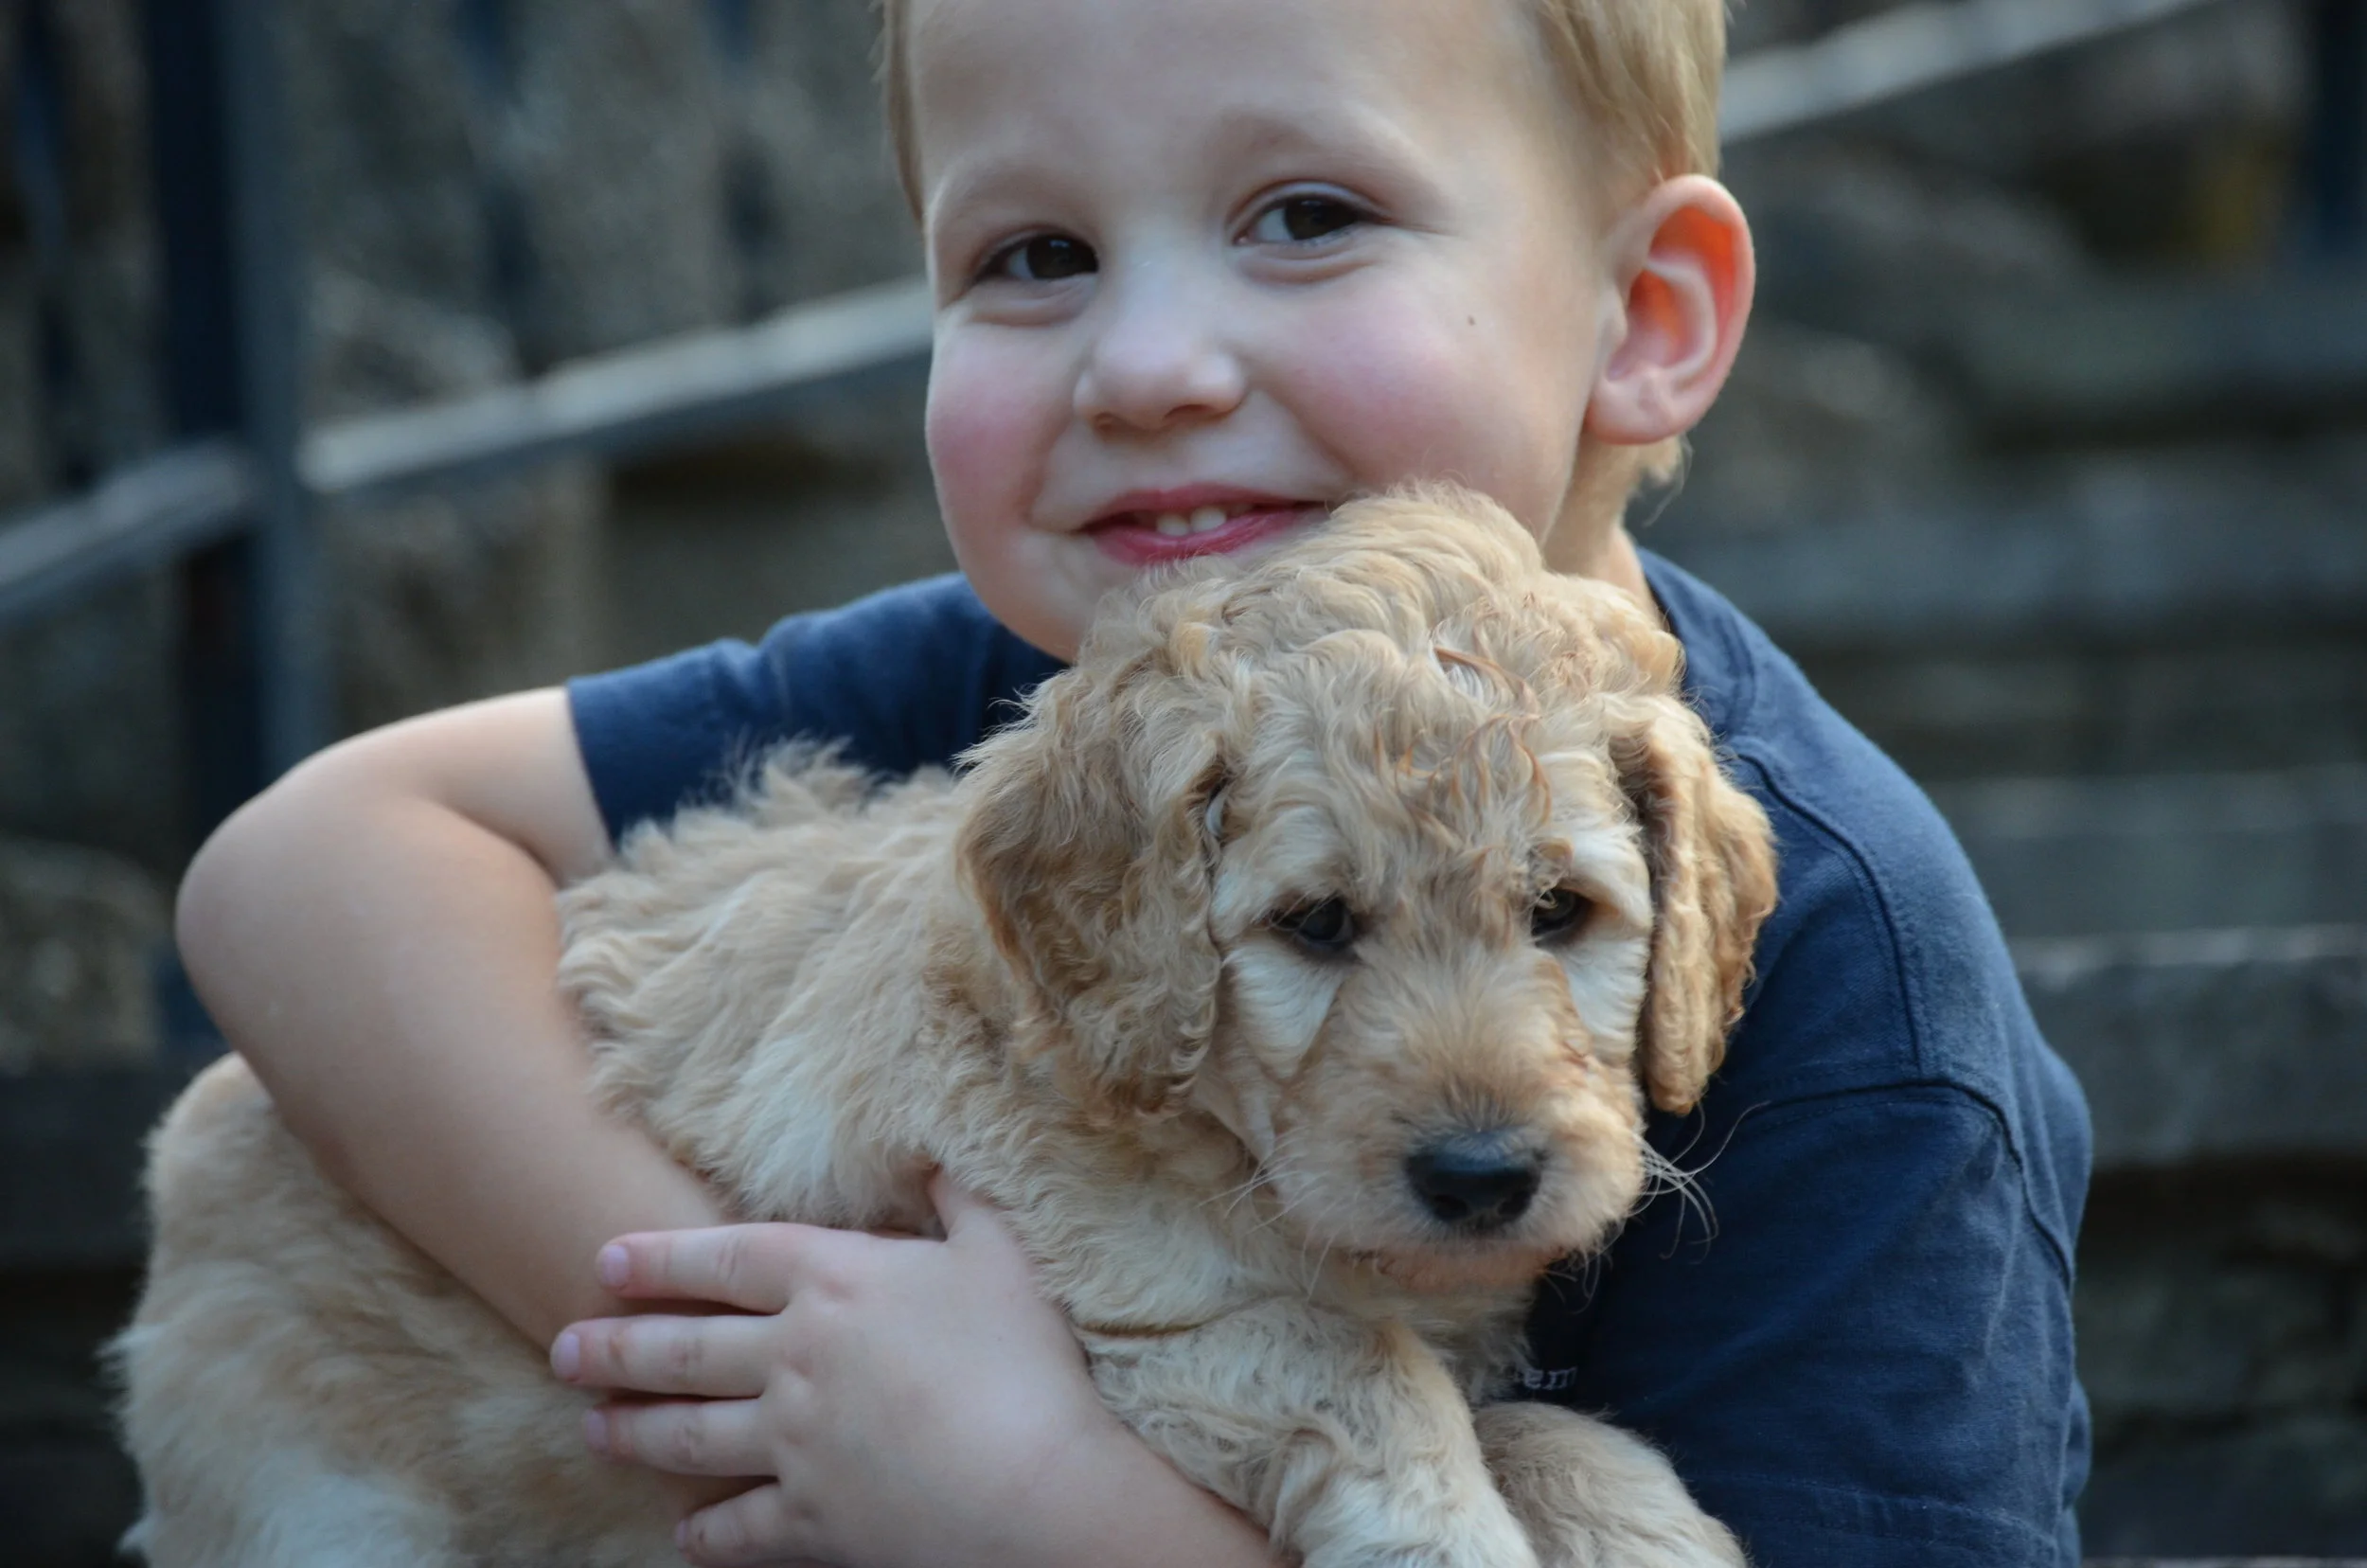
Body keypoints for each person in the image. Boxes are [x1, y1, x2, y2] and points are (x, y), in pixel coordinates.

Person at [173, 0, 2092, 1563]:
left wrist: (1033, 1504)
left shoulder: (1863, 1003)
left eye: (1308, 215)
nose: (1151, 364)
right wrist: (753, 1366)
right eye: (1035, 257)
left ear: (1642, 312)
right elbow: (299, 873)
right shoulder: (1053, 683)